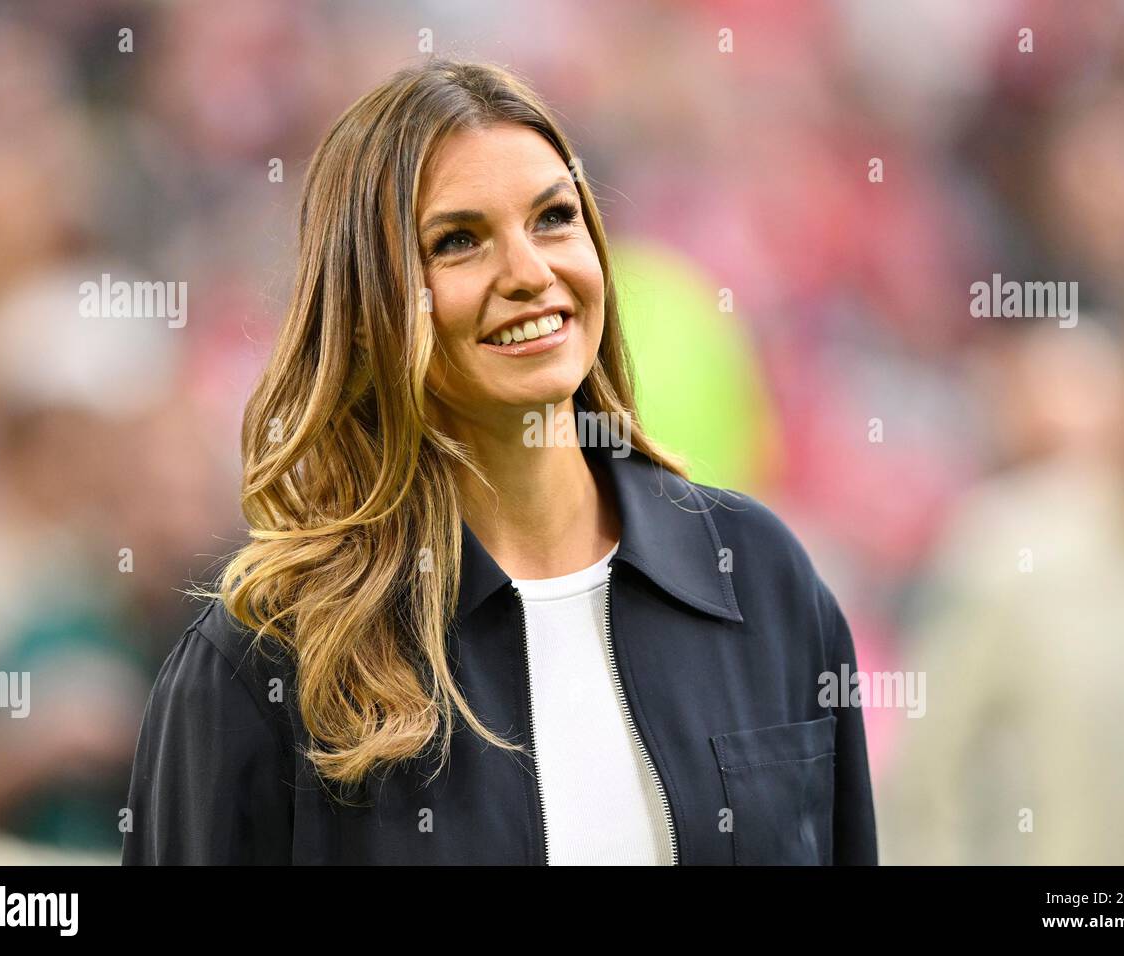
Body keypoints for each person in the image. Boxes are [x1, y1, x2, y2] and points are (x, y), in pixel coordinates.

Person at [121, 57, 876, 866]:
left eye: (554, 219)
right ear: (368, 307)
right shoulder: (263, 662)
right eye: (458, 241)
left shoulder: (761, 580)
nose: (529, 273)